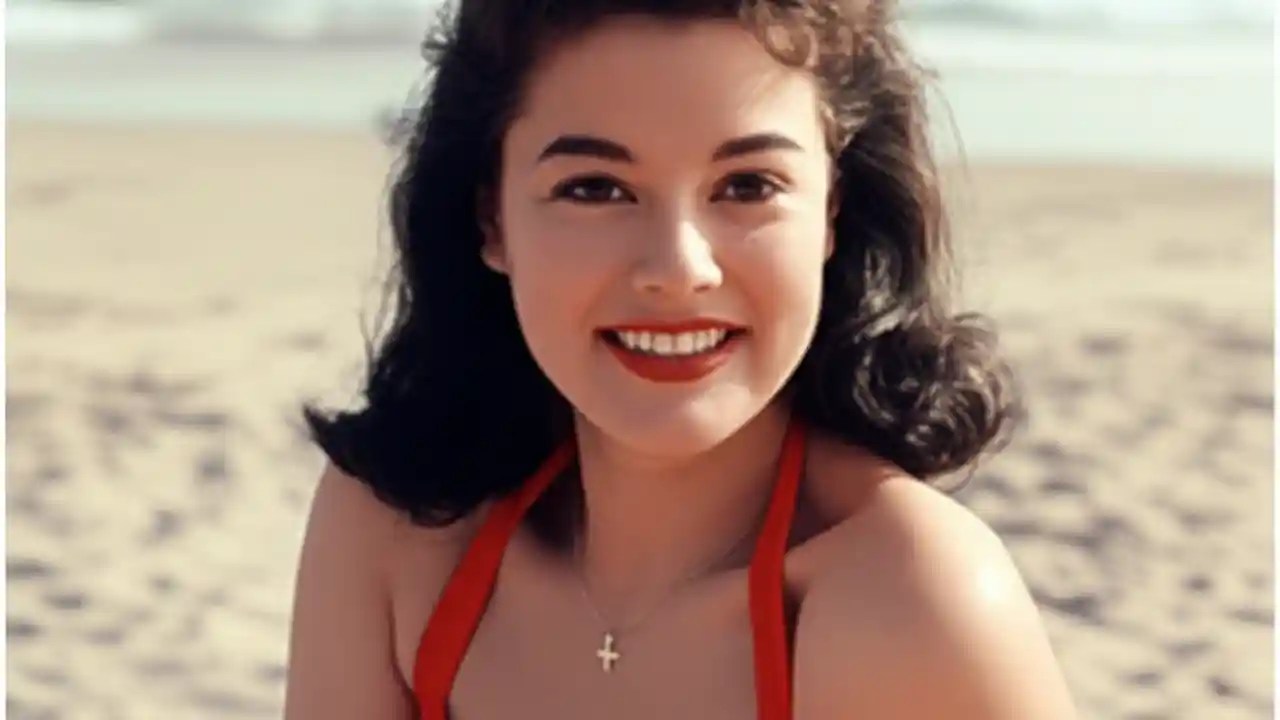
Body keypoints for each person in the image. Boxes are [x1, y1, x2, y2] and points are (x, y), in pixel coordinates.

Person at [284, 0, 1078, 717]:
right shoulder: (396, 530)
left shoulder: (904, 600)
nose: (678, 266)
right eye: (595, 189)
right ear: (490, 218)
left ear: (834, 211)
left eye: (747, 185)